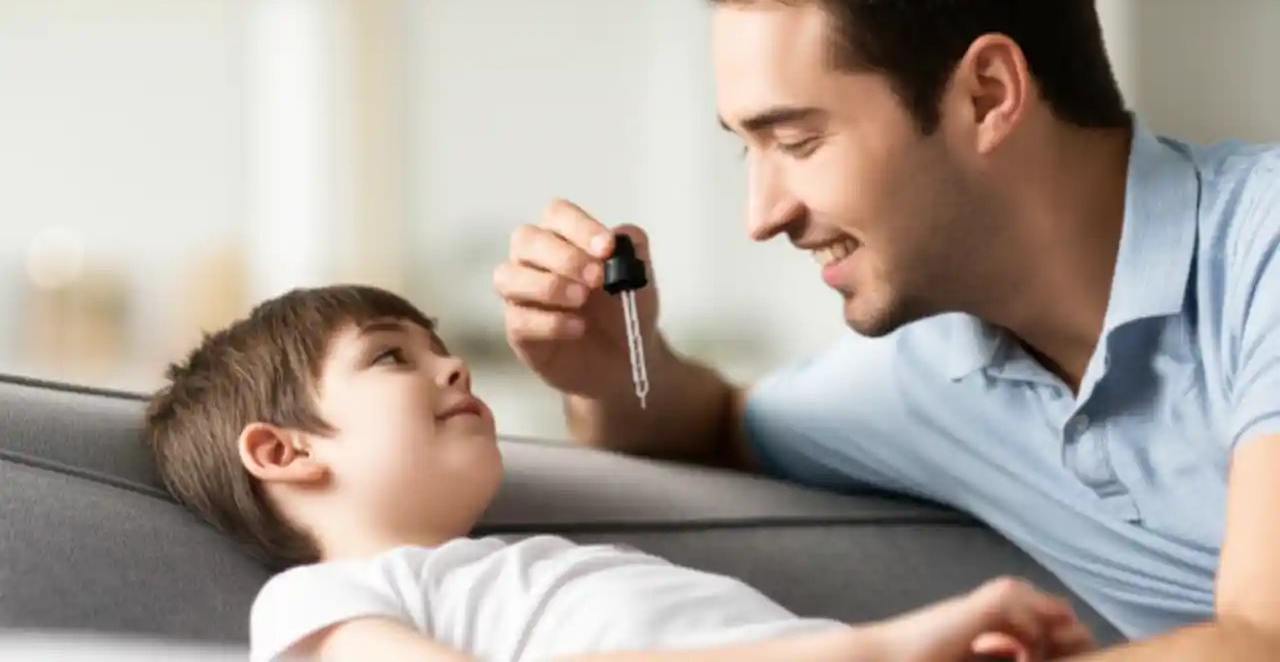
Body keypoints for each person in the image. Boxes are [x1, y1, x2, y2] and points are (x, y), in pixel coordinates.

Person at [492, 0, 1280, 660]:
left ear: (987, 94)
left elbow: (1263, 639)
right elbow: (714, 422)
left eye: (797, 143)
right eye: (747, 148)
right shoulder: (938, 370)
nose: (761, 216)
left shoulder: (1261, 251)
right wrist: (606, 371)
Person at [144, 284, 1095, 662]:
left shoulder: (522, 566)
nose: (455, 367)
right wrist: (876, 653)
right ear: (284, 450)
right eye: (392, 357)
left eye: (441, 349)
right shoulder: (320, 601)